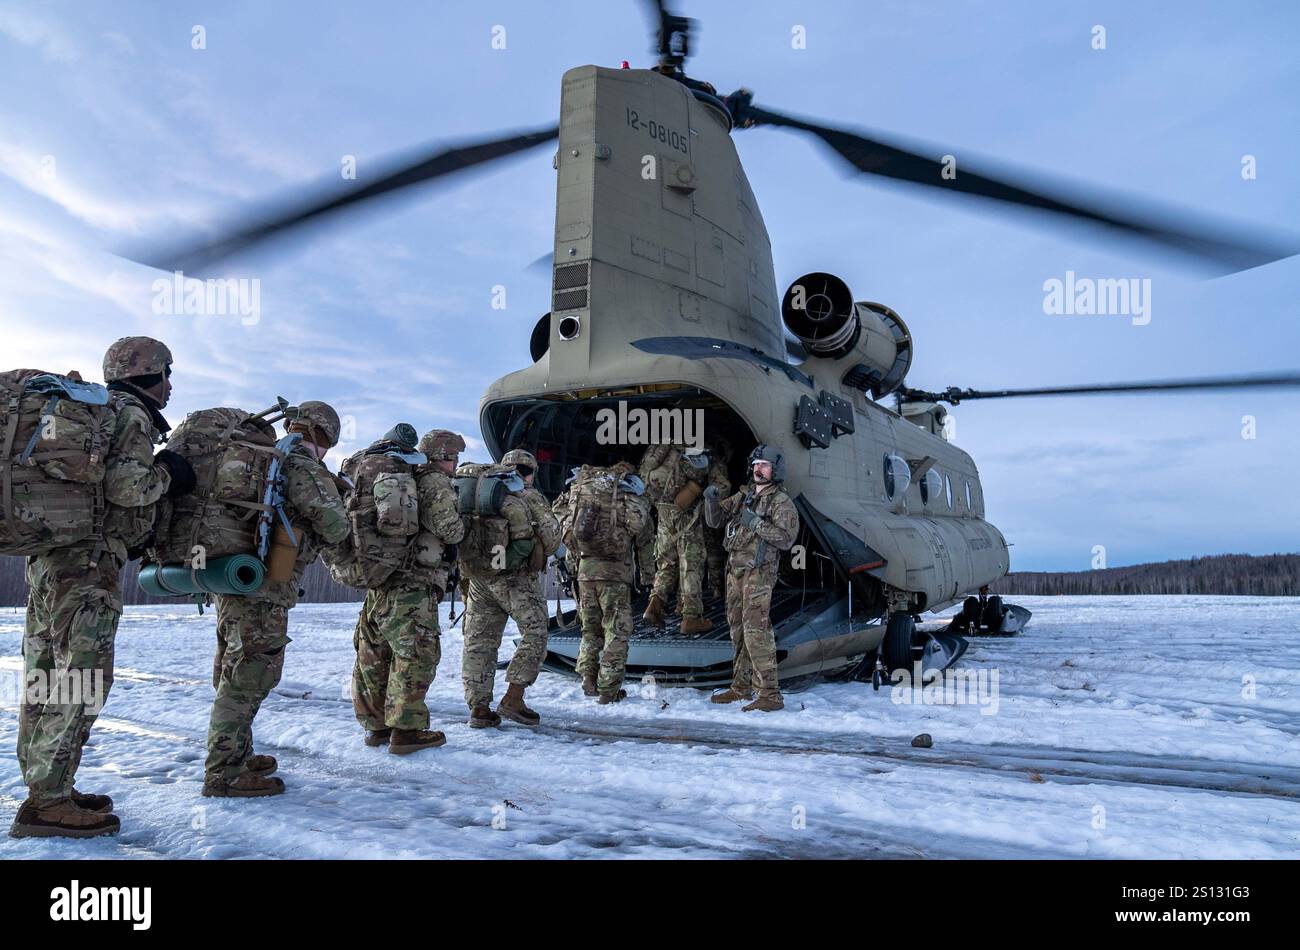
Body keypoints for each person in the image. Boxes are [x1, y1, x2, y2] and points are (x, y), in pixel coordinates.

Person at [12, 336, 193, 838]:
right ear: (148, 374)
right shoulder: (131, 415)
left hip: (50, 560)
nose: (171, 385)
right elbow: (128, 487)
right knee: (84, 677)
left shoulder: (91, 409)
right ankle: (48, 803)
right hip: (89, 566)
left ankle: (47, 785)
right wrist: (170, 473)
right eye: (167, 374)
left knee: (44, 675)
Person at [203, 401, 349, 797]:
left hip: (235, 575)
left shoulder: (269, 457)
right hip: (265, 585)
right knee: (251, 674)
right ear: (324, 435)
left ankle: (238, 752)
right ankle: (224, 772)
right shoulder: (300, 462)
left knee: (233, 665)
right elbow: (334, 526)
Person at [350, 428, 466, 754]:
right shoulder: (434, 482)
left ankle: (376, 727)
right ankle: (407, 730)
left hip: (381, 578)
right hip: (413, 583)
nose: (456, 464)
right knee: (416, 653)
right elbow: (449, 528)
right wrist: (464, 526)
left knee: (374, 655)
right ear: (444, 457)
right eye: (453, 457)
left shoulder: (400, 477)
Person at [460, 448, 561, 727]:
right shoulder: (527, 495)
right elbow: (551, 539)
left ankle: (479, 708)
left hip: (478, 577)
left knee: (479, 641)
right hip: (514, 578)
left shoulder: (482, 491)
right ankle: (513, 698)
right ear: (529, 473)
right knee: (537, 631)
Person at [703, 444, 800, 712]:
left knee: (757, 632)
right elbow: (715, 522)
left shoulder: (781, 502)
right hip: (735, 571)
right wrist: (711, 501)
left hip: (758, 574)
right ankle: (741, 687)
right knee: (737, 631)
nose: (759, 469)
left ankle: (770, 693)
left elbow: (786, 539)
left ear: (775, 469)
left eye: (765, 465)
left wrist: (754, 522)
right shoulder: (744, 496)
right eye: (756, 464)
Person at [567, 462, 654, 702]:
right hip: (614, 574)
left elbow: (570, 534)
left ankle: (588, 679)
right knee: (616, 630)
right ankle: (609, 689)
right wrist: (648, 578)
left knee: (590, 629)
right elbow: (643, 537)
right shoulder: (628, 494)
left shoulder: (582, 492)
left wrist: (574, 567)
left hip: (585, 572)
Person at [641, 444, 724, 634]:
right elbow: (705, 479)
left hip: (663, 514)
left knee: (666, 565)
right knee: (691, 567)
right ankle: (691, 618)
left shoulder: (657, 454)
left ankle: (654, 605)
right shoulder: (690, 452)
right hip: (686, 515)